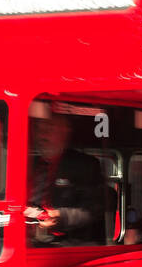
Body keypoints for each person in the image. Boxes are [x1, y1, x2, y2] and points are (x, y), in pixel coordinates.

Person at [25, 104, 108, 245]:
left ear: (65, 131)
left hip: (67, 245)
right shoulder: (27, 163)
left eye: (49, 128)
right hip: (26, 241)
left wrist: (62, 216)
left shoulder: (84, 165)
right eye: (38, 129)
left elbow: (95, 208)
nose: (42, 135)